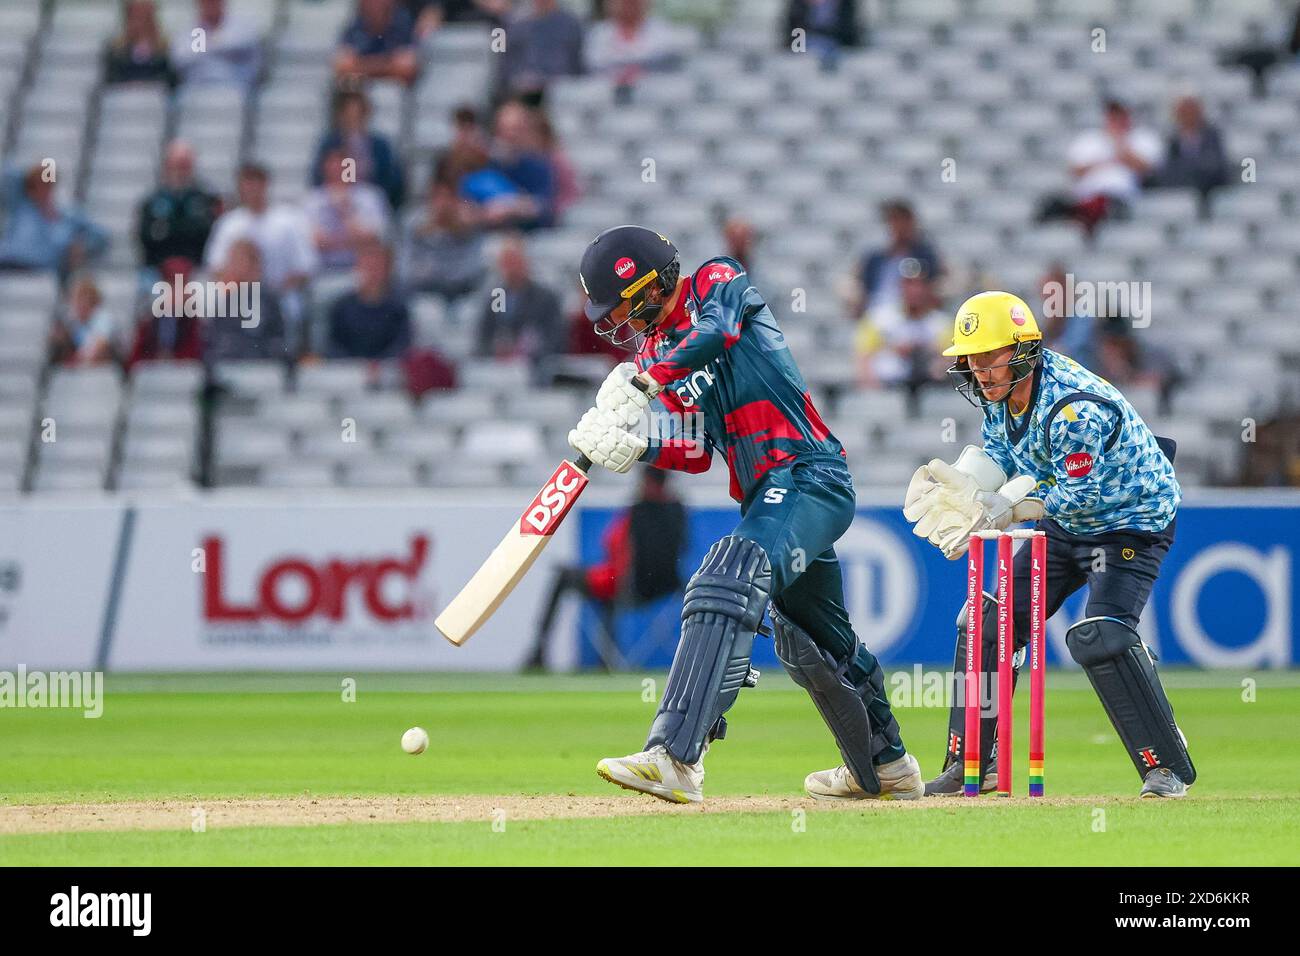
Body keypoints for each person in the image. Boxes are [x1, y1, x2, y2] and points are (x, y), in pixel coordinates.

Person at [571, 225, 920, 803]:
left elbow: (721, 330)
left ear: (655, 283)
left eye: (626, 308)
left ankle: (676, 756)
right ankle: (888, 765)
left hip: (808, 472)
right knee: (814, 637)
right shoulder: (657, 350)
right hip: (766, 494)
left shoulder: (716, 281)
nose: (624, 325)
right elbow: (701, 447)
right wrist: (638, 448)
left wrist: (647, 382)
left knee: (726, 577)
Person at [903, 291, 1195, 799]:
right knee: (986, 624)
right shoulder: (1002, 395)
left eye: (989, 357)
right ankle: (972, 762)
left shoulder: (1071, 408)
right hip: (1067, 524)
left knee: (1101, 635)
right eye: (970, 360)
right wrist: (970, 494)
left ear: (1022, 351)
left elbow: (1082, 493)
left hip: (1130, 522)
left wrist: (1012, 508)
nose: (979, 371)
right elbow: (1003, 459)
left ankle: (1165, 766)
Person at [524, 467, 686, 672]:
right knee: (605, 594)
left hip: (630, 585)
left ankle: (539, 650)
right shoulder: (677, 512)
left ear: (649, 482)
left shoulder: (640, 510)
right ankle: (605, 660)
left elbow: (624, 551)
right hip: (666, 586)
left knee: (564, 577)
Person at [1038, 100, 1161, 232]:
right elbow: (1075, 170)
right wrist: (1105, 162)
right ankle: (1080, 214)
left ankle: (1080, 215)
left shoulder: (1142, 139)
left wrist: (1119, 145)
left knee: (1101, 204)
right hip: (1088, 196)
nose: (1117, 120)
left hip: (1119, 198)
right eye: (1113, 115)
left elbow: (1146, 169)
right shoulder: (1089, 139)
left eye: (1120, 115)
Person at [474, 234, 561, 383]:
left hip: (535, 366)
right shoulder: (498, 295)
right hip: (501, 366)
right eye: (506, 263)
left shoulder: (544, 297)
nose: (511, 268)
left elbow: (555, 337)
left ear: (525, 263)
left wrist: (530, 353)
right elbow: (486, 334)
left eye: (514, 262)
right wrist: (495, 351)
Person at [0, 164, 109, 277]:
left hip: (44, 273)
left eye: (47, 184)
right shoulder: (21, 207)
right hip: (9, 266)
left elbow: (100, 236)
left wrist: (83, 246)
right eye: (35, 185)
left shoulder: (69, 216)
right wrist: (36, 170)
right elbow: (8, 173)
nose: (42, 189)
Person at [853, 264, 948, 393]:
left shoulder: (941, 323)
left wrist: (926, 352)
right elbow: (863, 358)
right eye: (909, 284)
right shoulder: (878, 319)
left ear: (928, 287)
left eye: (919, 284)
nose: (914, 290)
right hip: (887, 388)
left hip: (930, 388)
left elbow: (951, 361)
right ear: (900, 287)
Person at [310, 89, 406, 211]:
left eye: (357, 112)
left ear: (365, 113)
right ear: (341, 115)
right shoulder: (330, 144)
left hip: (371, 203)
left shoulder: (380, 145)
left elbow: (393, 181)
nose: (353, 117)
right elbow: (318, 178)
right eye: (349, 113)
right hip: (334, 201)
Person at [398, 179, 486, 308]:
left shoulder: (468, 231)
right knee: (427, 311)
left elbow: (474, 270)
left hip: (462, 295)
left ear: (456, 202)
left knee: (470, 311)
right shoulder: (416, 230)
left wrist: (436, 272)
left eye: (447, 198)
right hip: (426, 295)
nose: (443, 204)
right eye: (438, 198)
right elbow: (405, 272)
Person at [137, 140, 223, 270]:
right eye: (176, 165)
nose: (180, 171)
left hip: (195, 267)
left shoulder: (206, 199)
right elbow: (146, 237)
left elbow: (207, 235)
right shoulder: (151, 201)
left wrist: (169, 228)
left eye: (185, 165)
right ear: (166, 166)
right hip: (158, 268)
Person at [304, 148, 392, 271]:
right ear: (325, 168)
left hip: (362, 270)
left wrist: (345, 210)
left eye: (342, 165)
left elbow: (374, 239)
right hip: (324, 269)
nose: (337, 171)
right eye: (333, 165)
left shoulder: (371, 196)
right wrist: (352, 240)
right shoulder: (313, 200)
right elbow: (316, 242)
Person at [852, 199, 942, 316]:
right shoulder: (875, 259)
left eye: (904, 221)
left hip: (909, 315)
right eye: (895, 221)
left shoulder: (925, 257)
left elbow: (932, 288)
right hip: (876, 314)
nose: (900, 227)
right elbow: (864, 288)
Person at [325, 240, 412, 359]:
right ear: (358, 268)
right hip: (347, 369)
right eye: (368, 266)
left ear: (388, 270)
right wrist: (356, 364)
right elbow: (333, 345)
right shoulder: (342, 307)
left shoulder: (398, 307)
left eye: (378, 267)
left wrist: (378, 365)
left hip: (387, 369)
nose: (373, 272)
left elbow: (402, 346)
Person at [495, 0, 585, 103]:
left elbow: (577, 66)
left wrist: (551, 81)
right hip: (523, 89)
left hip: (562, 90)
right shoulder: (514, 23)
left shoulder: (571, 23)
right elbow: (504, 62)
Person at [585, 0, 683, 84]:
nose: (629, 5)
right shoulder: (599, 34)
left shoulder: (665, 32)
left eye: (633, 1)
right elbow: (595, 67)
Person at [1153, 95, 1230, 201]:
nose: (1188, 115)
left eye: (1191, 111)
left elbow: (1215, 166)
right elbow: (1168, 172)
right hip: (1182, 193)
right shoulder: (1173, 141)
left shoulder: (1212, 136)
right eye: (1184, 112)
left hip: (1209, 190)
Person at [170, 0, 263, 88]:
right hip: (196, 91)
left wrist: (203, 50)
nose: (210, 5)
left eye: (214, 1)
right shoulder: (190, 29)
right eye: (206, 2)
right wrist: (217, 49)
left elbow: (240, 43)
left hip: (235, 89)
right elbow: (179, 58)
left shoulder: (241, 26)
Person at [335, 0, 421, 87]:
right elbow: (342, 66)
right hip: (361, 88)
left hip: (395, 89)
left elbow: (407, 68)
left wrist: (360, 66)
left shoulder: (404, 22)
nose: (375, 4)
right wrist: (389, 66)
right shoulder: (355, 25)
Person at [49, 275, 116, 366]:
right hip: (78, 366)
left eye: (82, 299)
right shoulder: (71, 320)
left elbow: (99, 347)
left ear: (93, 301)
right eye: (75, 299)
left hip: (101, 367)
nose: (77, 304)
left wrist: (76, 360)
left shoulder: (103, 319)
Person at [104, 0, 173, 85]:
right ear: (128, 18)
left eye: (145, 16)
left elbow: (169, 79)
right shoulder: (116, 51)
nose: (141, 21)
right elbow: (111, 79)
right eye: (136, 16)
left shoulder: (164, 51)